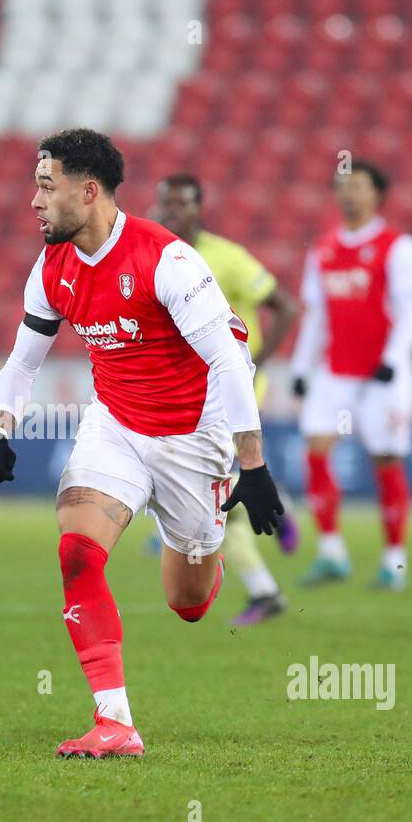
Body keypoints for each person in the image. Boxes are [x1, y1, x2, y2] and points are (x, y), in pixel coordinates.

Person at [0, 129, 285, 758]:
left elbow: (230, 362)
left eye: (46, 186)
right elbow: (22, 362)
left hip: (192, 439)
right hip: (113, 423)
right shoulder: (52, 266)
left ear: (87, 191)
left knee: (188, 602)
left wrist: (252, 467)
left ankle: (206, 551)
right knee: (76, 554)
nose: (34, 201)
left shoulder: (166, 260)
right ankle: (115, 722)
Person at [153, 173, 301, 626]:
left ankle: (264, 591)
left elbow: (287, 306)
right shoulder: (155, 257)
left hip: (229, 397)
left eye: (181, 204)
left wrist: (256, 360)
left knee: (221, 502)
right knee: (222, 494)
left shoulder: (227, 258)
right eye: (166, 204)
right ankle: (281, 509)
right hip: (185, 396)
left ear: (199, 209)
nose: (171, 212)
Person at [290, 160, 412, 591]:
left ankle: (395, 561)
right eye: (342, 186)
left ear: (377, 194)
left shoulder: (398, 246)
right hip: (336, 371)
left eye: (358, 186)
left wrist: (394, 356)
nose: (348, 193)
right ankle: (332, 552)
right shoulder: (324, 248)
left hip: (382, 375)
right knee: (315, 448)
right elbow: (316, 315)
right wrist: (300, 365)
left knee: (385, 458)